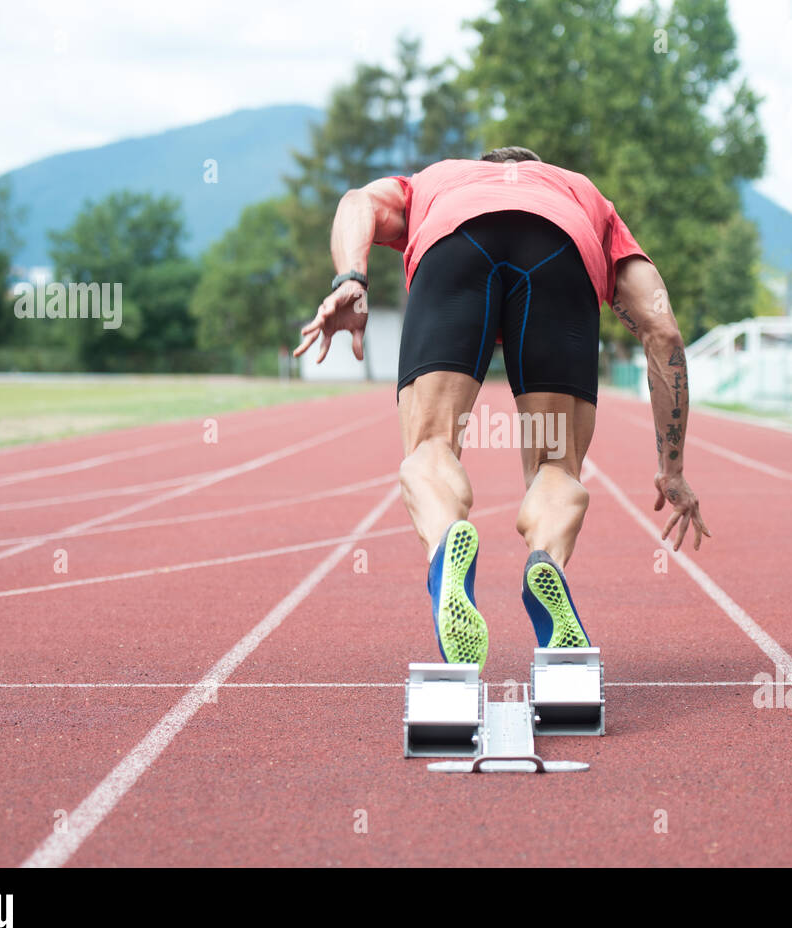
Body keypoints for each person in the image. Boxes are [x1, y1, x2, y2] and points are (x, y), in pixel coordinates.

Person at [294, 146, 709, 672]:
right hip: (561, 249)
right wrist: (671, 469)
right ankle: (547, 562)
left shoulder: (438, 181)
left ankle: (447, 541)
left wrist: (350, 278)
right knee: (555, 465)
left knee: (431, 446)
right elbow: (663, 329)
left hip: (455, 241)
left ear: (484, 165)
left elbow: (356, 202)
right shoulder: (582, 195)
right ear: (537, 168)